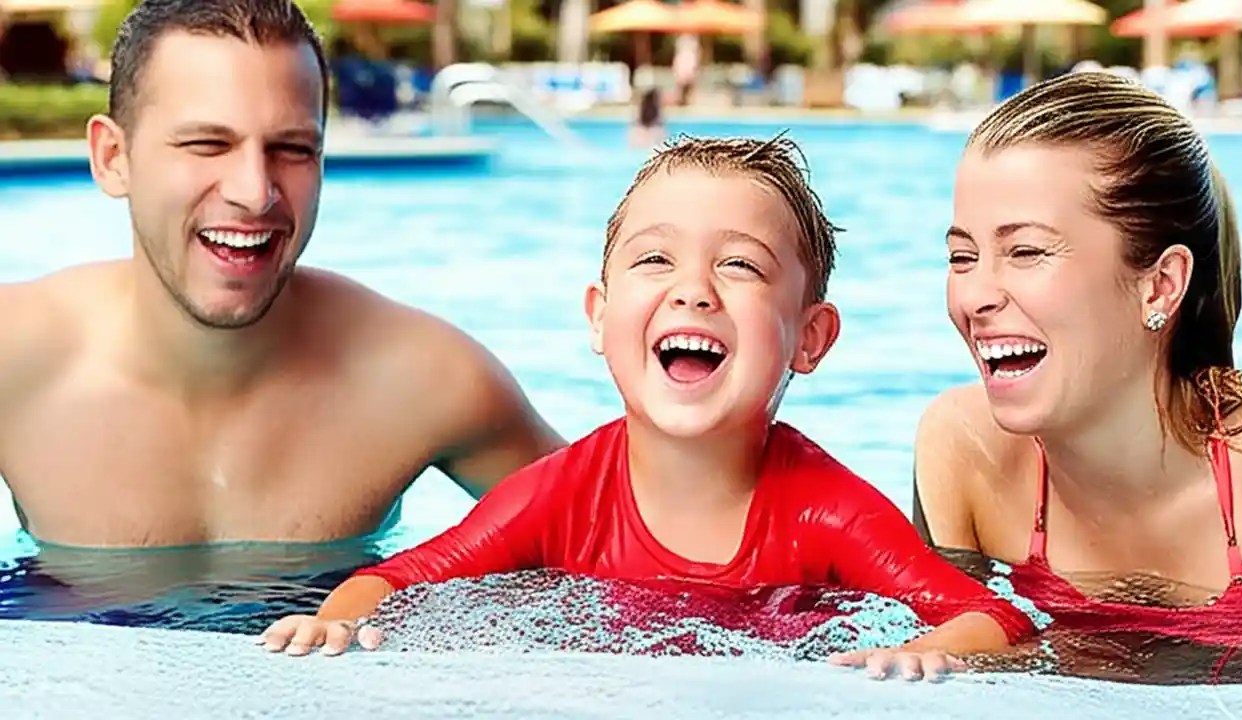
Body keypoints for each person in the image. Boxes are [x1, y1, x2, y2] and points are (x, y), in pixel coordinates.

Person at [259, 135, 1038, 680]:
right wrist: (338, 619)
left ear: (811, 337)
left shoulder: (826, 512)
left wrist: (924, 654)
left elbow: (994, 620)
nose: (694, 288)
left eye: (739, 265)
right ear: (600, 316)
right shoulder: (560, 494)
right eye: (656, 259)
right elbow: (401, 579)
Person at [0, 0, 562, 548]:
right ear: (111, 157)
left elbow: (618, 547)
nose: (254, 191)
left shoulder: (423, 378)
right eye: (206, 144)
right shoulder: (15, 359)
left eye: (292, 149)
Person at [913, 71, 1242, 647]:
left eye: (1026, 251)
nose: (974, 294)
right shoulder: (968, 454)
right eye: (962, 256)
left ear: (1160, 285)